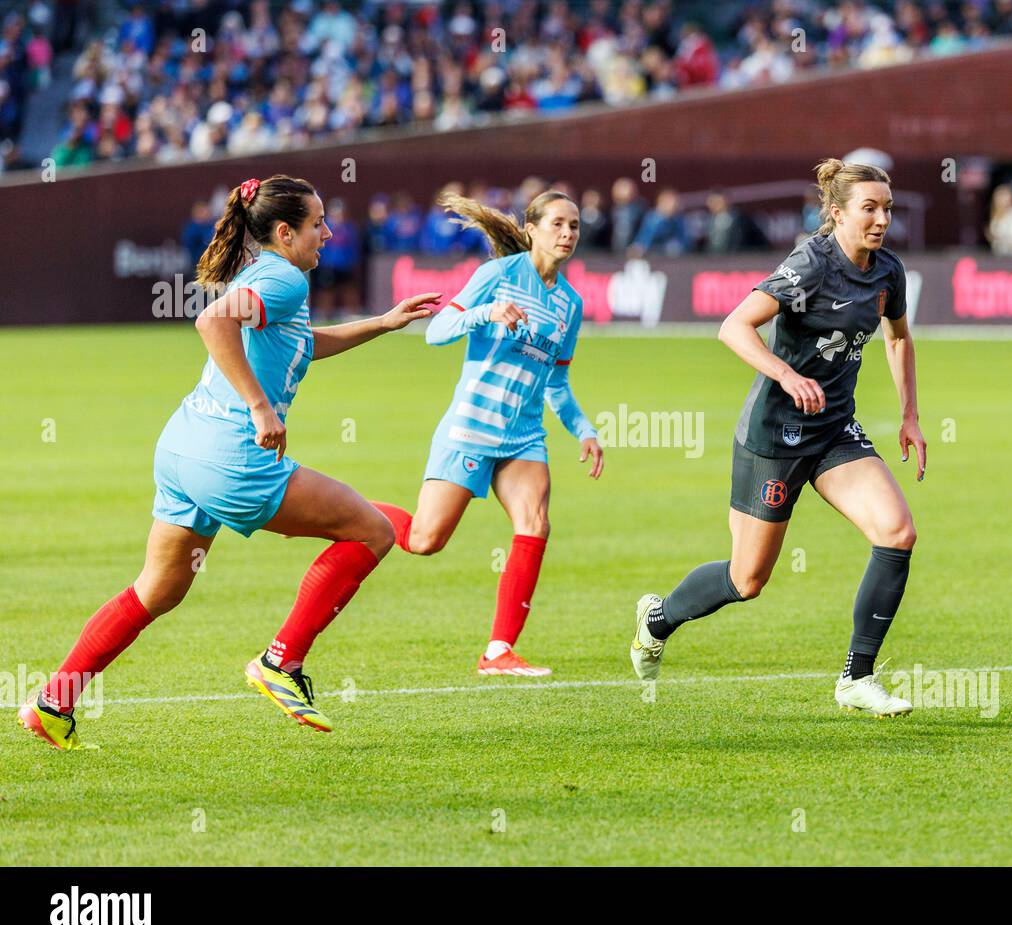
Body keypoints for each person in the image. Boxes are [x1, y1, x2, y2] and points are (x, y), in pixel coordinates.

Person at [19, 175, 441, 750]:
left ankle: (53, 701)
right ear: (286, 232)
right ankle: (280, 663)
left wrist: (385, 321)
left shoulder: (271, 279)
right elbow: (211, 321)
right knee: (371, 530)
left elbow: (301, 342)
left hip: (182, 449)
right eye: (319, 223)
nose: (329, 232)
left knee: (157, 590)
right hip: (230, 457)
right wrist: (261, 408)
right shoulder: (283, 275)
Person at [631, 158, 924, 717]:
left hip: (835, 429)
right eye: (869, 208)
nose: (882, 219)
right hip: (775, 434)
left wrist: (909, 415)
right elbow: (734, 326)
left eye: (886, 208)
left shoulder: (889, 271)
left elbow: (899, 338)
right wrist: (787, 375)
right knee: (747, 579)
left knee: (897, 532)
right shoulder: (810, 264)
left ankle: (856, 679)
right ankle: (658, 619)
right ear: (837, 213)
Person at [372, 190, 604, 677]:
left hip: (523, 436)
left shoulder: (570, 303)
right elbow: (437, 332)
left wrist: (584, 429)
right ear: (532, 228)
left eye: (575, 226)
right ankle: (351, 511)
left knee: (535, 524)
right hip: (471, 428)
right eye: (558, 224)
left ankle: (498, 651)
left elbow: (556, 381)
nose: (567, 234)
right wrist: (486, 313)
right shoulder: (497, 276)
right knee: (424, 540)